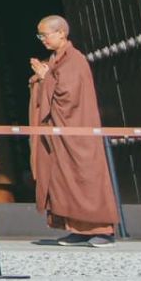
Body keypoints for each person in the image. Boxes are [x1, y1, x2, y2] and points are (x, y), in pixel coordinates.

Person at [29, 15, 119, 246]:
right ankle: (78, 228)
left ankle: (102, 229)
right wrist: (42, 79)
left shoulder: (74, 60)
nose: (43, 40)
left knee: (85, 177)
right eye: (40, 36)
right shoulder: (57, 60)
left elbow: (67, 95)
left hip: (77, 132)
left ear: (61, 33)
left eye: (45, 35)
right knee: (63, 178)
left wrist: (46, 78)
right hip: (61, 135)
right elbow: (54, 86)